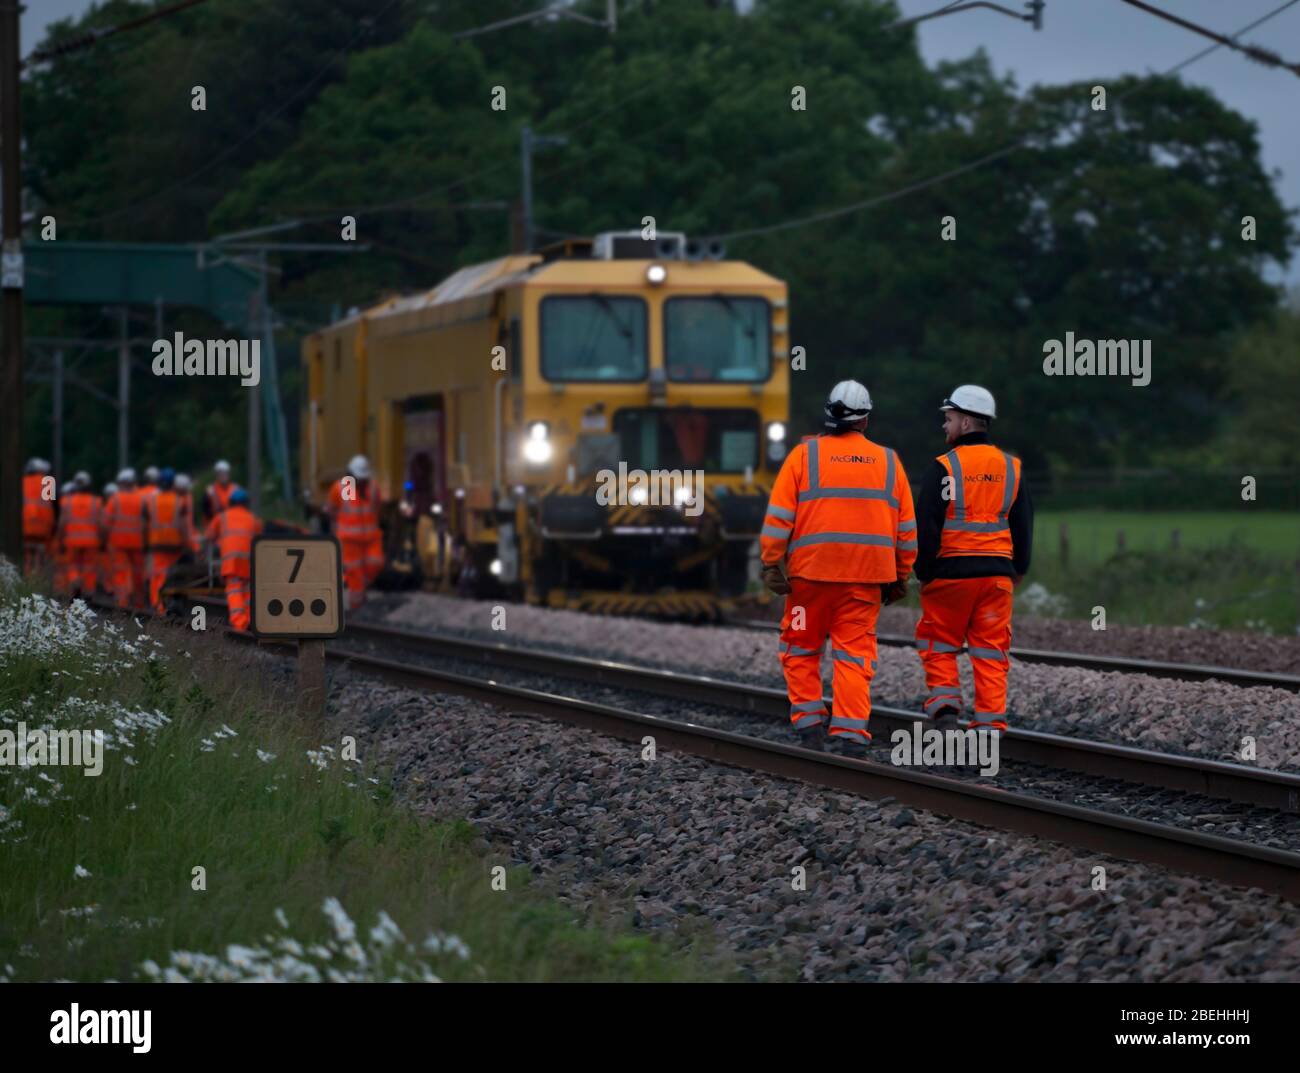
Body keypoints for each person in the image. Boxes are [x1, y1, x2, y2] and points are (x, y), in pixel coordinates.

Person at [759, 381, 917, 757]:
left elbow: (779, 516)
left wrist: (770, 561)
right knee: (854, 654)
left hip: (808, 583)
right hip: (865, 582)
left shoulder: (804, 456)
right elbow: (907, 529)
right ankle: (848, 732)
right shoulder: (889, 461)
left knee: (799, 645)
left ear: (828, 414)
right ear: (865, 419)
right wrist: (901, 575)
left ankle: (810, 723)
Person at [913, 385, 1033, 734]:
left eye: (948, 419)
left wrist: (925, 571)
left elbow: (928, 524)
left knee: (939, 644)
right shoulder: (1011, 468)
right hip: (997, 576)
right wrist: (1019, 568)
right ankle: (988, 727)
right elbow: (1022, 523)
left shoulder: (942, 467)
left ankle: (946, 707)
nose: (944, 426)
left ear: (966, 422)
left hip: (950, 575)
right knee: (991, 653)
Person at [324, 454, 384, 611]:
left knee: (376, 563)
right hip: (349, 540)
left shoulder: (372, 487)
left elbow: (377, 506)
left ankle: (361, 593)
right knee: (355, 574)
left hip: (371, 538)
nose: (362, 481)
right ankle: (357, 607)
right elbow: (332, 509)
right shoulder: (346, 488)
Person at [204, 487, 262, 631]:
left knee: (234, 590)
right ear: (245, 503)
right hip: (249, 563)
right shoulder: (253, 519)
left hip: (231, 563)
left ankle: (240, 623)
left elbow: (209, 536)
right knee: (248, 593)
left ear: (230, 502)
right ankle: (250, 620)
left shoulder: (222, 517)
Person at [144, 468, 193, 615]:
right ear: (173, 484)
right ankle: (171, 602)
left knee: (157, 574)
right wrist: (187, 544)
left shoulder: (152, 500)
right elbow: (183, 526)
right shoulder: (179, 501)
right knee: (172, 573)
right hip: (174, 544)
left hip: (157, 543)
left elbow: (145, 523)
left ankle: (158, 604)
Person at [103, 468, 148, 609]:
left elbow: (106, 522)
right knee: (138, 573)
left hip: (118, 543)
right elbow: (147, 522)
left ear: (121, 483)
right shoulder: (141, 499)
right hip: (137, 542)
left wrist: (104, 539)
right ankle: (139, 603)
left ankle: (123, 603)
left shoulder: (115, 499)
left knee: (121, 572)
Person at [57, 471, 102, 598]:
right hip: (91, 541)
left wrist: (60, 540)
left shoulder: (66, 501)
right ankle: (88, 592)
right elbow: (101, 524)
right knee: (89, 567)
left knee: (72, 565)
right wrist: (102, 540)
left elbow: (62, 523)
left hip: (72, 541)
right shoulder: (96, 501)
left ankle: (75, 581)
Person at [21, 457, 56, 576]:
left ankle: (26, 582)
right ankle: (38, 585)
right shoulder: (48, 482)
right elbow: (53, 507)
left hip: (24, 528)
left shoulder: (21, 481)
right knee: (40, 560)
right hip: (43, 530)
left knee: (26, 558)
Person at [98, 482, 118, 596]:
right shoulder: (119, 506)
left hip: (110, 541)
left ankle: (110, 588)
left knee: (107, 566)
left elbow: (103, 526)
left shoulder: (106, 508)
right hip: (117, 541)